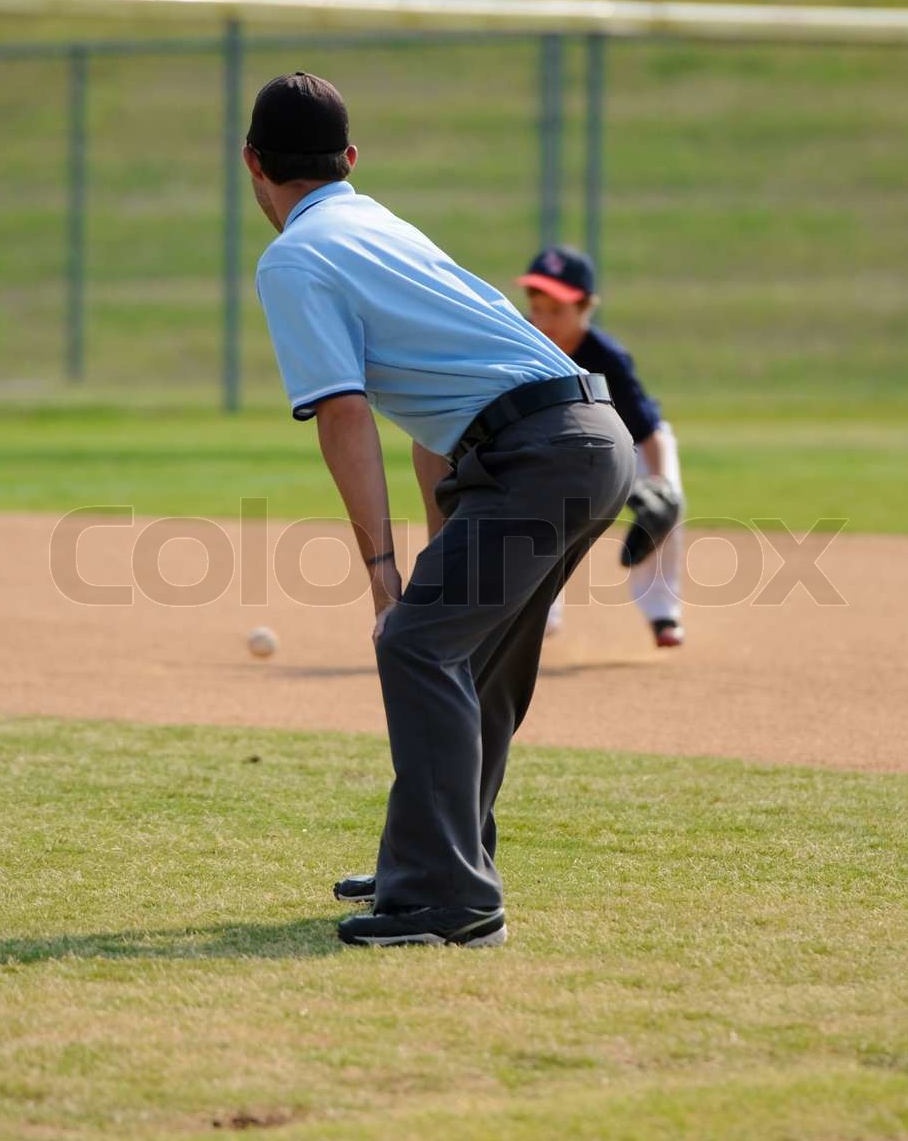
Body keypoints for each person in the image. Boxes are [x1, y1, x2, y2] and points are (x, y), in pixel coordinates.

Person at [244, 72, 636, 949]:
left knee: (417, 641)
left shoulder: (297, 257)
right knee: (473, 660)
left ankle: (449, 902)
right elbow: (433, 418)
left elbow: (346, 414)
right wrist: (435, 551)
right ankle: (429, 862)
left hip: (539, 455)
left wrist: (386, 580)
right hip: (586, 438)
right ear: (349, 160)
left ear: (251, 165)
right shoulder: (378, 223)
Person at [517, 246, 685, 648]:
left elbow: (647, 430)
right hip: (565, 446)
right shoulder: (523, 345)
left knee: (665, 508)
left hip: (631, 442)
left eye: (557, 310)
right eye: (537, 308)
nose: (544, 320)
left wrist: (660, 481)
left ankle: (662, 614)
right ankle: (540, 614)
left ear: (586, 307)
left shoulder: (607, 357)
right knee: (538, 514)